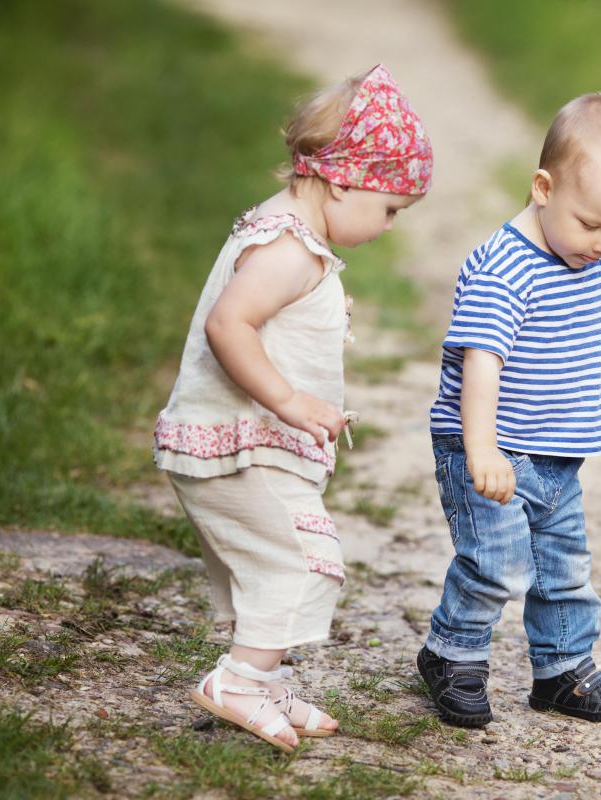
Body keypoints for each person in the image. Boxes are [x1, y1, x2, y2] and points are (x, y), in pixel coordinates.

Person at [153, 64, 431, 752]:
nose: (390, 225)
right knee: (303, 557)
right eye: (389, 208)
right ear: (341, 180)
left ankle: (266, 680)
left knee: (286, 555)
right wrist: (287, 398)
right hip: (233, 444)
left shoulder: (286, 231)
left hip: (241, 443)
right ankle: (238, 682)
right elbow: (228, 326)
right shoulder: (288, 250)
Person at [417, 92, 601, 728]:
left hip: (557, 454)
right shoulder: (504, 267)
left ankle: (563, 669)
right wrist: (482, 450)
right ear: (544, 187)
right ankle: (450, 654)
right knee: (496, 561)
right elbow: (483, 363)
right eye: (594, 225)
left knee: (564, 569)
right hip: (489, 448)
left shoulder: (590, 261)